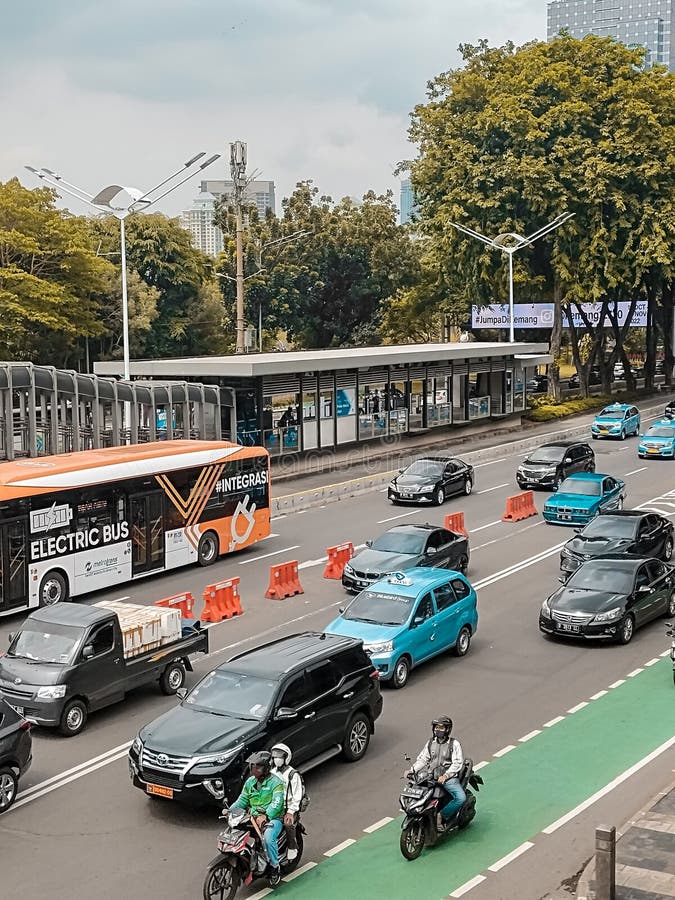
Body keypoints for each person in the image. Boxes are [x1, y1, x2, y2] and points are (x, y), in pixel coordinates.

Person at [231, 751, 285, 886]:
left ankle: (274, 867)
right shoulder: (250, 782)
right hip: (252, 817)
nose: (254, 769)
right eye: (252, 766)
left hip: (273, 818)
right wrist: (230, 810)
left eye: (258, 767)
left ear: (266, 768)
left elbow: (277, 804)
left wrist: (266, 816)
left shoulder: (276, 783)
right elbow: (242, 800)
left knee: (267, 837)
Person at [407, 715, 465, 829]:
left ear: (447, 729)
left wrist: (446, 775)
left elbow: (457, 763)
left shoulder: (454, 744)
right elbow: (423, 759)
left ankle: (441, 815)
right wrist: (412, 770)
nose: (438, 730)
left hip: (448, 779)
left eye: (441, 728)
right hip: (431, 777)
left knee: (461, 798)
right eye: (436, 727)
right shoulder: (430, 743)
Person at [270, 743, 304, 861]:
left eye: (279, 757)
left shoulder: (293, 775)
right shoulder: (272, 773)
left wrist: (290, 812)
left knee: (288, 824)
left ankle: (292, 847)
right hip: (274, 806)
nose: (276, 760)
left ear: (286, 758)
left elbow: (297, 795)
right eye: (274, 757)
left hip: (288, 808)